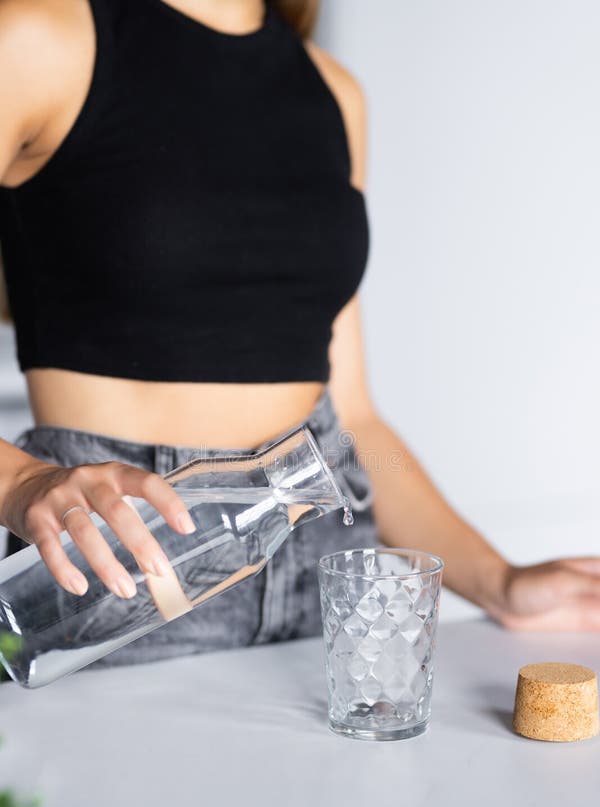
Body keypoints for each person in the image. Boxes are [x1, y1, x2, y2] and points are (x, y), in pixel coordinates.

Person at [0, 0, 598, 668]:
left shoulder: (334, 93)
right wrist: (18, 483)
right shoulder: (38, 38)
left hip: (335, 574)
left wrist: (500, 583)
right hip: (126, 568)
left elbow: (354, 427)